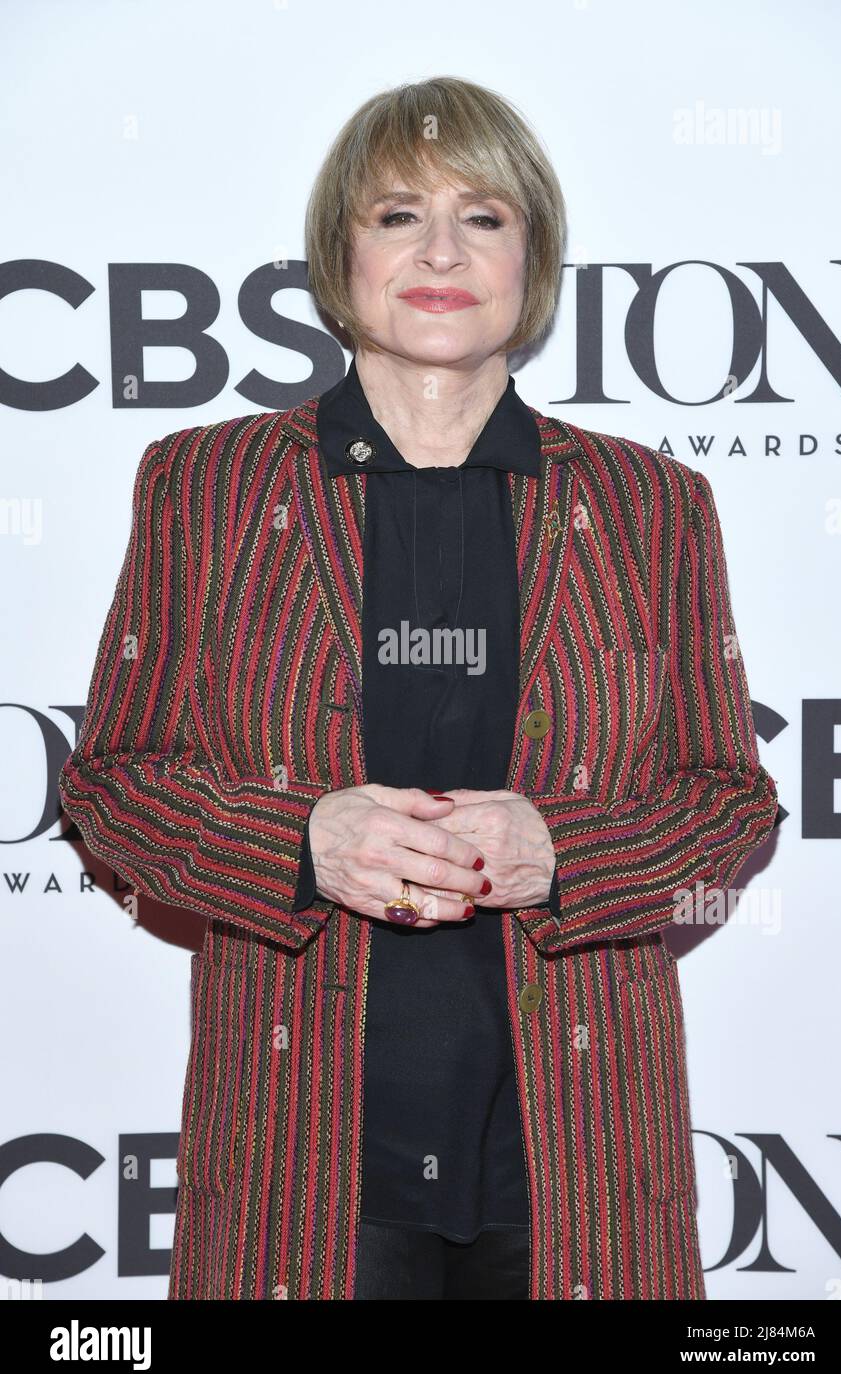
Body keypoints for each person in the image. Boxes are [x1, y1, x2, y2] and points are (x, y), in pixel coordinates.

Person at [58, 76, 779, 1301]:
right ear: (341, 253)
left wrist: (566, 846)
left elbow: (729, 801)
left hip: (581, 1161)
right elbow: (113, 784)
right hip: (299, 1157)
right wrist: (301, 838)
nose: (441, 251)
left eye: (484, 216)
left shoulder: (651, 503)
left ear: (531, 260)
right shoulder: (207, 485)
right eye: (398, 214)